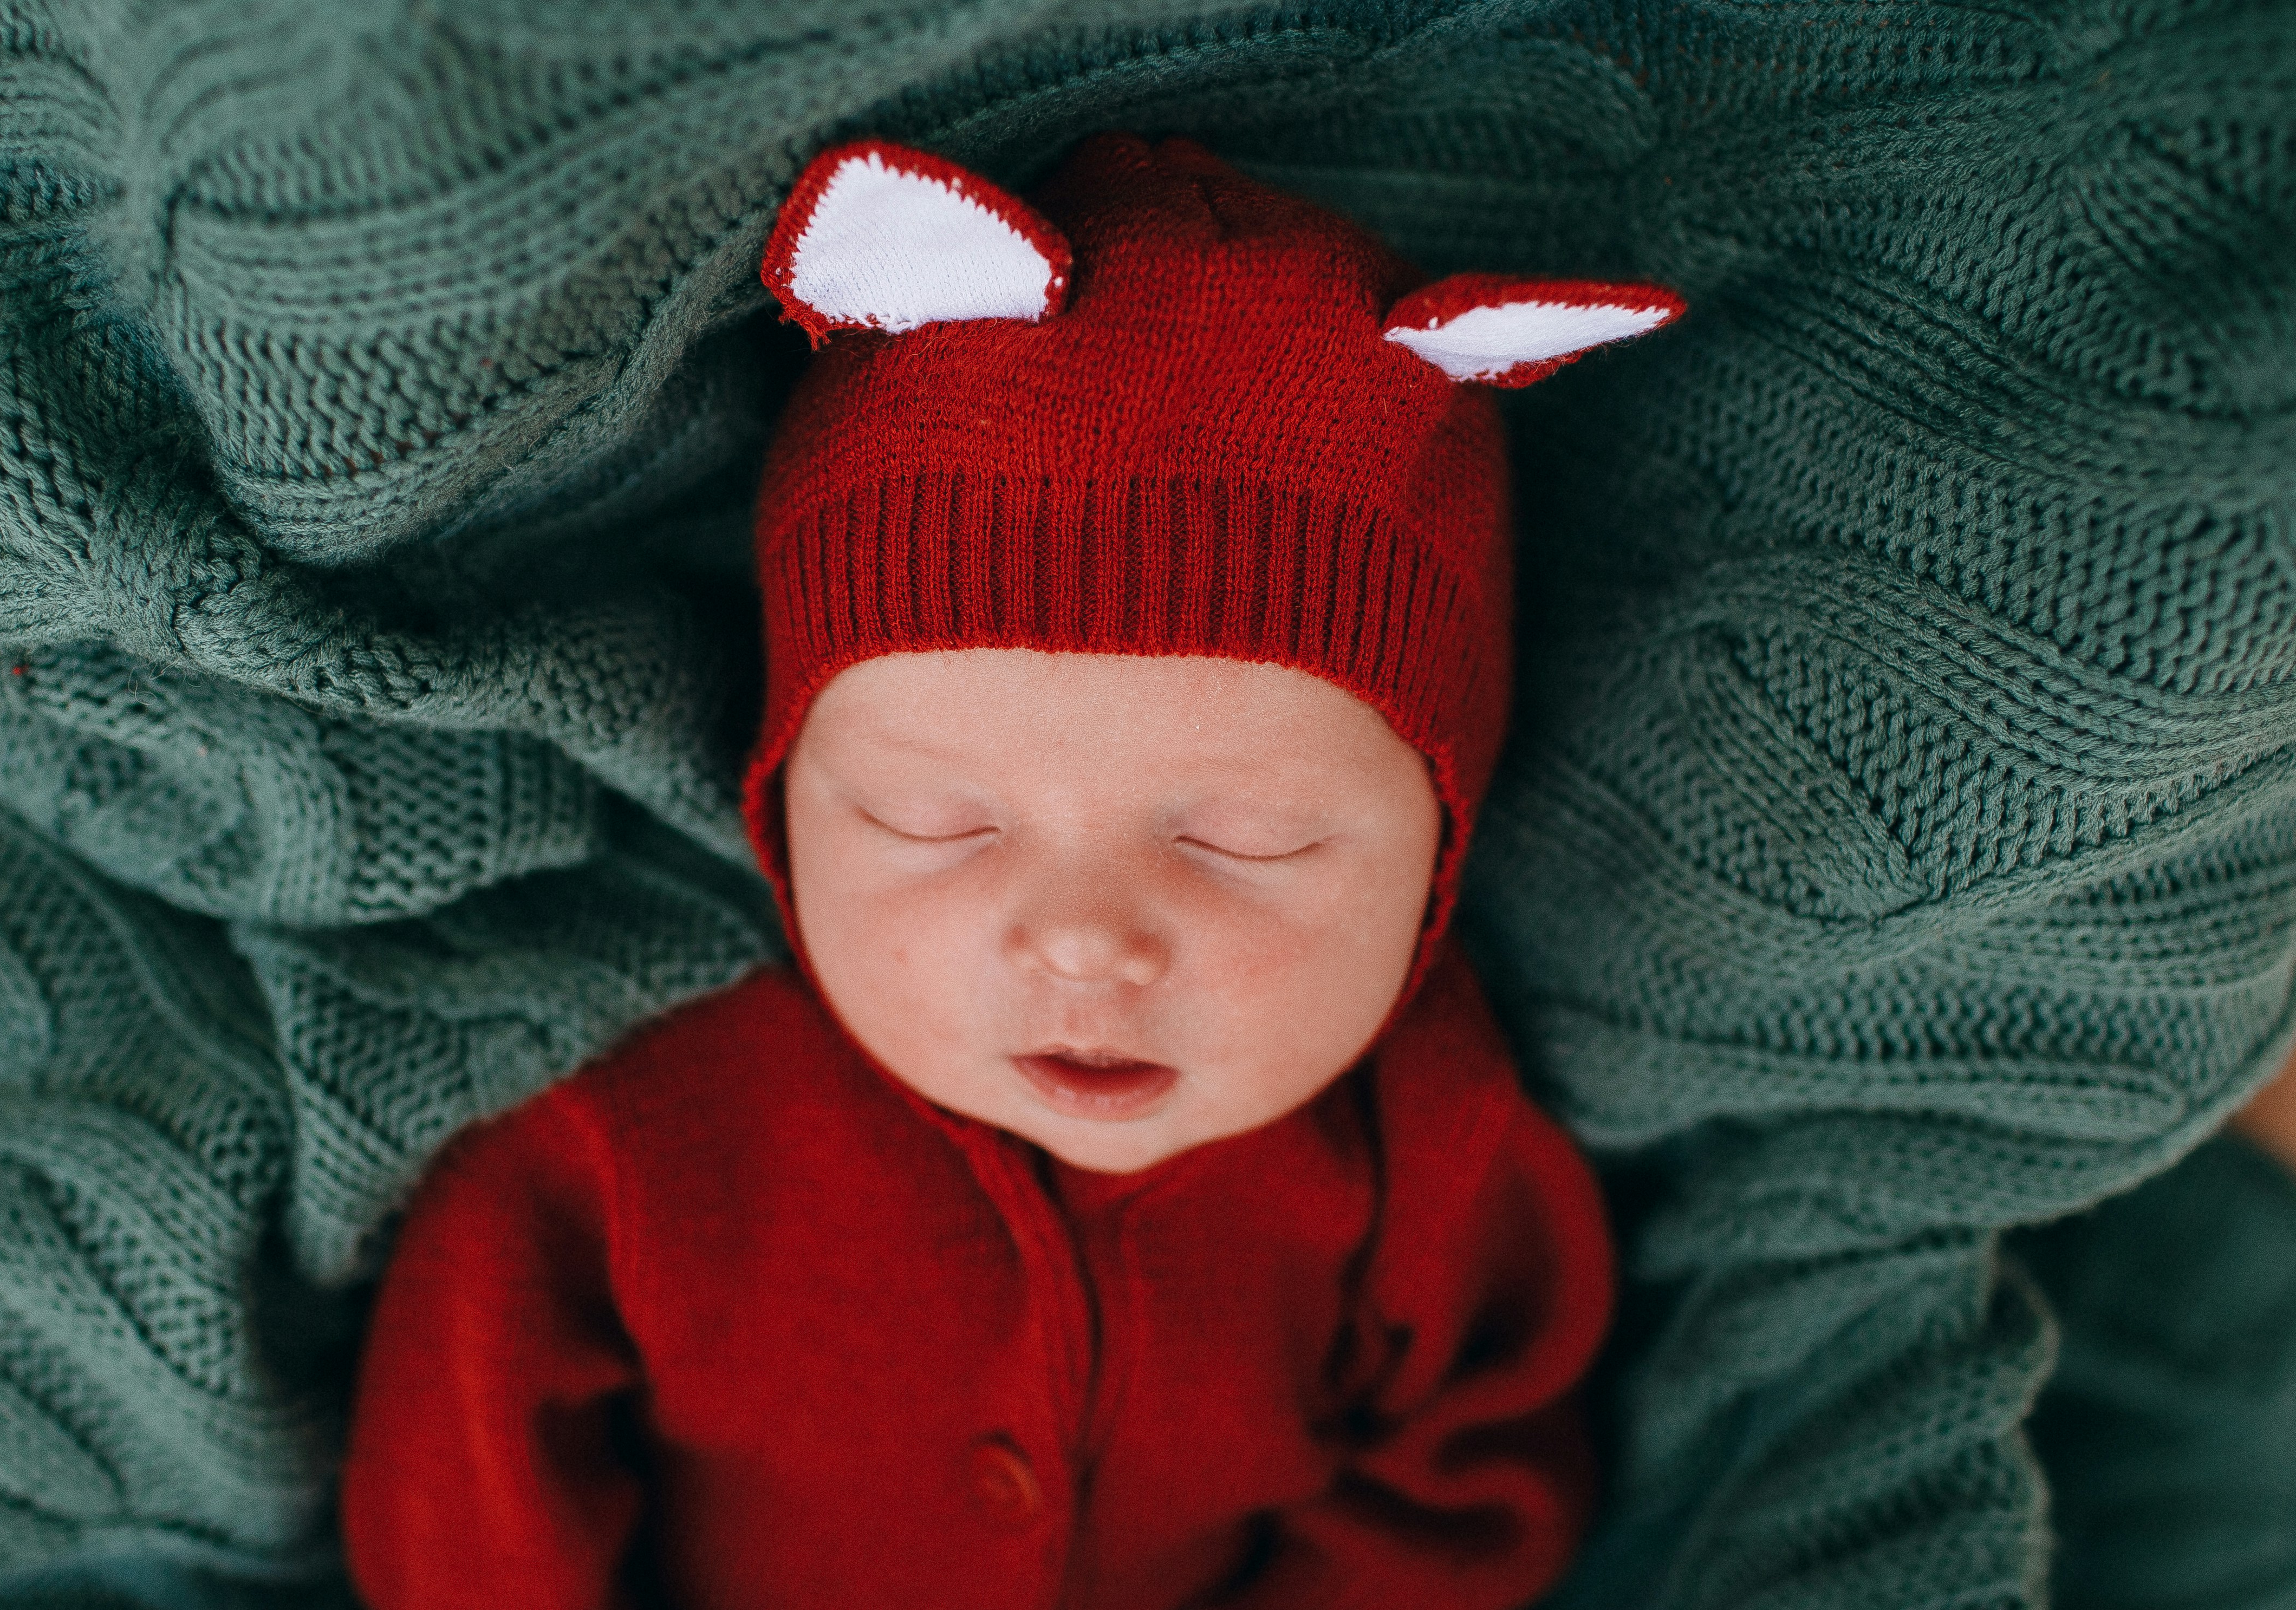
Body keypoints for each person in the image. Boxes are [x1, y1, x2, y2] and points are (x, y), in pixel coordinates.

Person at [338, 133, 1686, 1609]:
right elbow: (470, 1488)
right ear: (780, 801)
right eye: (931, 821)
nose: (1085, 940)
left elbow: (1474, 1478)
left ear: (1440, 846)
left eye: (1249, 840)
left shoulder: (1429, 1148)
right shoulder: (636, 1131)